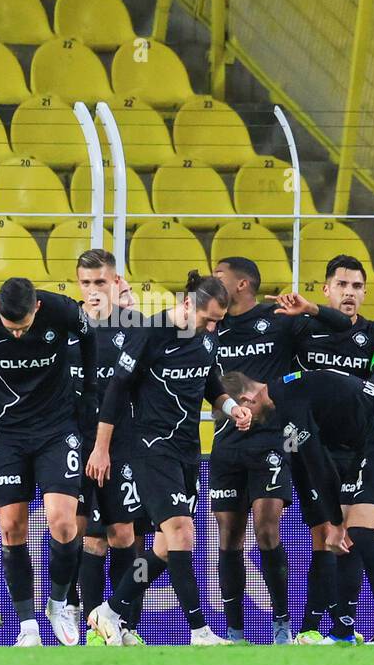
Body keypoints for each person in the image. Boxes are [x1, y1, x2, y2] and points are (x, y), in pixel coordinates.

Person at [85, 271, 252, 646]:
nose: (212, 327)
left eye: (218, 322)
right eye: (208, 319)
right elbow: (115, 390)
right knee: (181, 532)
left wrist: (231, 407)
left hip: (187, 450)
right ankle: (199, 631)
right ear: (188, 303)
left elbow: (210, 385)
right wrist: (100, 448)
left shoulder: (207, 339)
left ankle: (110, 610)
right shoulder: (151, 333)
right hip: (150, 448)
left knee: (163, 547)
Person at [0, 278, 97, 646]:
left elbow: (89, 337)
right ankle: (27, 626)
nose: (17, 335)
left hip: (57, 427)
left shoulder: (61, 309)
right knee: (12, 527)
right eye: (12, 329)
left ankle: (58, 603)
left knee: (63, 523)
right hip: (4, 431)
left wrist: (89, 392)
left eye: (25, 328)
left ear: (37, 309)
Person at [209, 256, 352, 643]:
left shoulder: (277, 319)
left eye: (219, 274)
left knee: (266, 528)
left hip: (271, 440)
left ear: (242, 284)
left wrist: (311, 308)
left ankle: (281, 623)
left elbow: (343, 327)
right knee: (228, 536)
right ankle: (235, 632)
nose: (212, 279)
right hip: (224, 441)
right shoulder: (210, 325)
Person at [221, 368, 374, 647]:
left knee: (359, 531)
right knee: (349, 537)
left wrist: (334, 523)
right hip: (369, 439)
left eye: (238, 412)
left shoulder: (290, 405)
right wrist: (337, 523)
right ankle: (343, 631)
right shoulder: (289, 388)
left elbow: (318, 465)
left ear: (247, 398)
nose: (243, 421)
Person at [293, 254, 374, 644]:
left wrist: (367, 389)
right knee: (325, 535)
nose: (349, 293)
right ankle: (314, 626)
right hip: (316, 445)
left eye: (357, 287)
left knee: (352, 534)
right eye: (342, 285)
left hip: (360, 445)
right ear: (325, 290)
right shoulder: (304, 329)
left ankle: (346, 627)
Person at [69, 250, 148, 646]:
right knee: (90, 538)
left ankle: (122, 623)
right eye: (86, 283)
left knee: (124, 534)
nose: (93, 291)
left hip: (125, 445)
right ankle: (93, 628)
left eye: (101, 282)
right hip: (79, 445)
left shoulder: (135, 326)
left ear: (116, 282)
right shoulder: (69, 329)